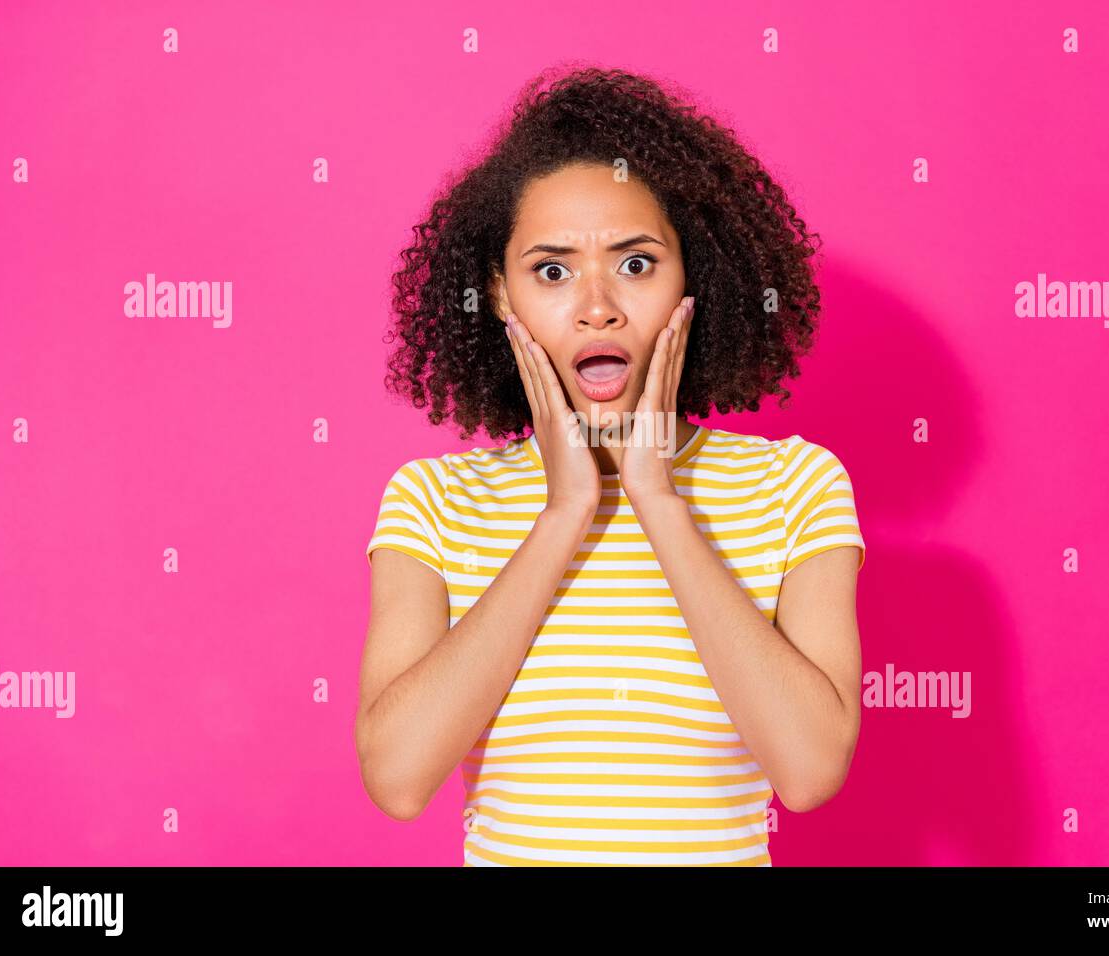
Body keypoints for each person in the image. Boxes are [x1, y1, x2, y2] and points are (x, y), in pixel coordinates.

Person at [355, 66, 866, 866]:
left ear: (693, 277)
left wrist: (657, 496)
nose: (598, 305)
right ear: (498, 296)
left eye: (635, 263)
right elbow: (397, 776)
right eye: (552, 271)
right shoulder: (435, 501)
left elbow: (807, 770)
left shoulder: (796, 487)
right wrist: (564, 514)